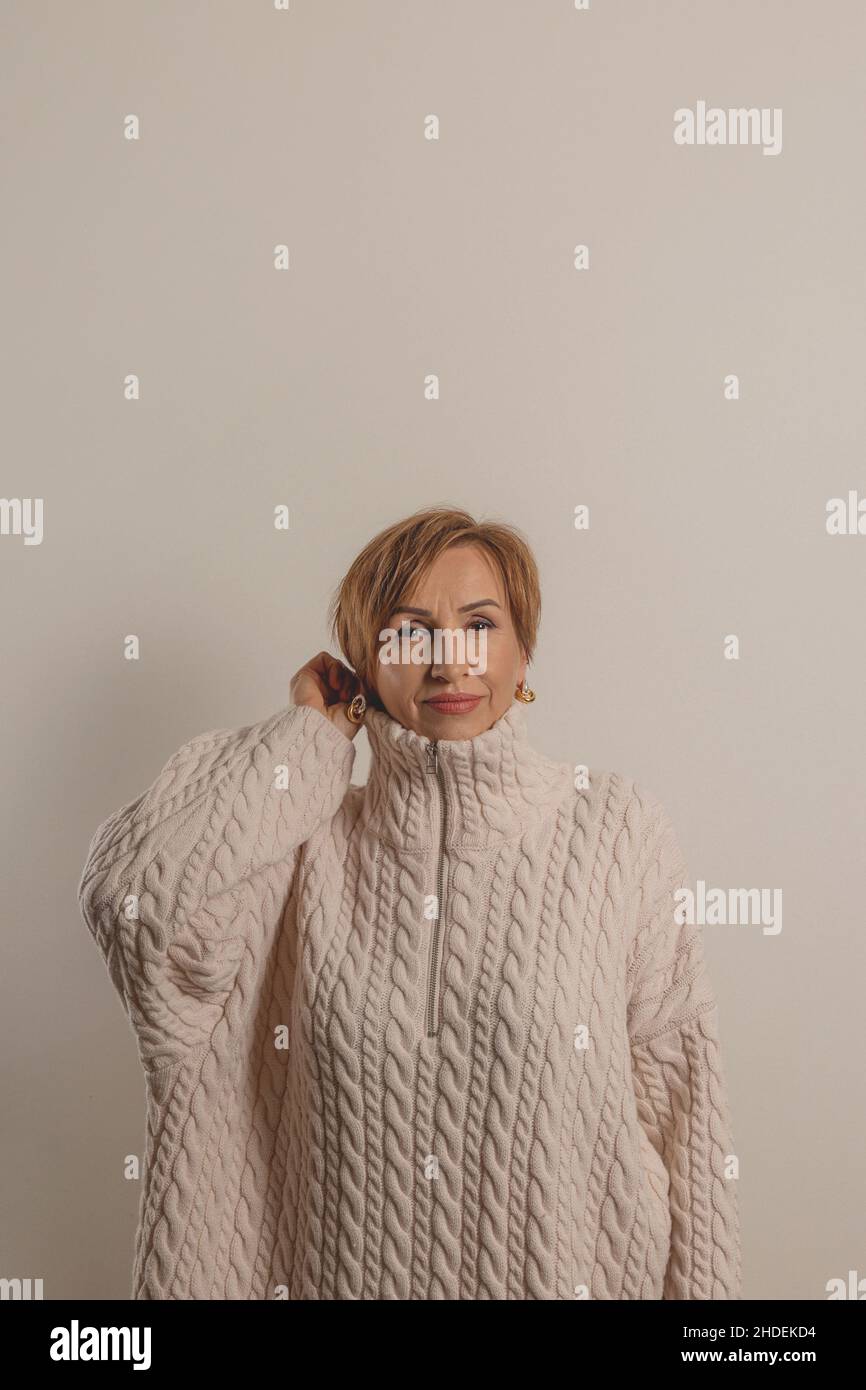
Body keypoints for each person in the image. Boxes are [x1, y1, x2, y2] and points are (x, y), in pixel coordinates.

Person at [77, 504, 741, 1300]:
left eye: (480, 625)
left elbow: (686, 1112)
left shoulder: (618, 831)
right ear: (364, 662)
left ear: (524, 653)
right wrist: (307, 742)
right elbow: (135, 909)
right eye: (410, 631)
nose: (449, 661)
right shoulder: (300, 841)